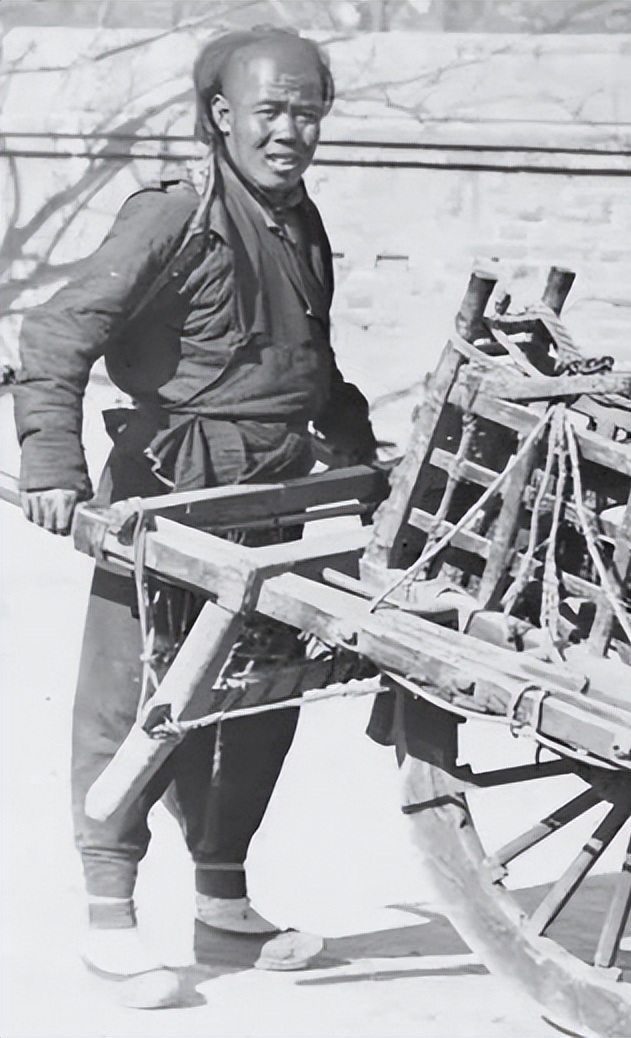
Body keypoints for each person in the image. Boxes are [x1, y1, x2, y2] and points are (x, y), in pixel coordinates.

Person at [14, 27, 377, 1008]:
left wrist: (357, 451)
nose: (292, 131)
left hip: (274, 494)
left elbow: (311, 363)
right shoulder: (173, 215)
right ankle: (109, 918)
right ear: (223, 115)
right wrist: (53, 464)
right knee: (140, 698)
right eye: (272, 111)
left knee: (260, 696)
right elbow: (55, 333)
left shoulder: (299, 221)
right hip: (168, 494)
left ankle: (223, 903)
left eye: (307, 112)